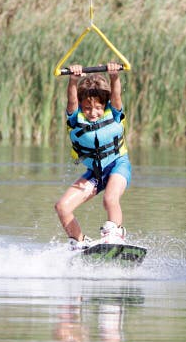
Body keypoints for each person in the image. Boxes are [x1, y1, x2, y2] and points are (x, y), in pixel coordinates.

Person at [54, 62, 131, 249]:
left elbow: (116, 96)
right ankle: (80, 243)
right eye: (87, 108)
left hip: (118, 166)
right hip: (95, 173)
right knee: (62, 207)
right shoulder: (75, 118)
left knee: (110, 199)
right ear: (81, 106)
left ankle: (115, 237)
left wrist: (114, 76)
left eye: (98, 108)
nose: (93, 113)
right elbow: (72, 102)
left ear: (105, 105)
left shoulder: (113, 112)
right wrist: (73, 80)